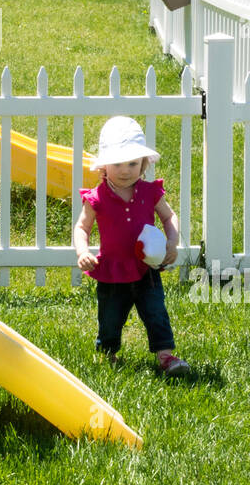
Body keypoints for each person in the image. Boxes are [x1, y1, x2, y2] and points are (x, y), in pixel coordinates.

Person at [74, 116, 190, 376]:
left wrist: (173, 241)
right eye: (117, 163)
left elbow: (169, 216)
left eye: (133, 163)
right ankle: (108, 353)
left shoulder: (150, 193)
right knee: (110, 318)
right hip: (112, 271)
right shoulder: (97, 198)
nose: (125, 170)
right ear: (104, 165)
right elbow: (82, 227)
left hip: (146, 269)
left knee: (156, 312)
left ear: (144, 164)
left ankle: (166, 356)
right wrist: (83, 251)